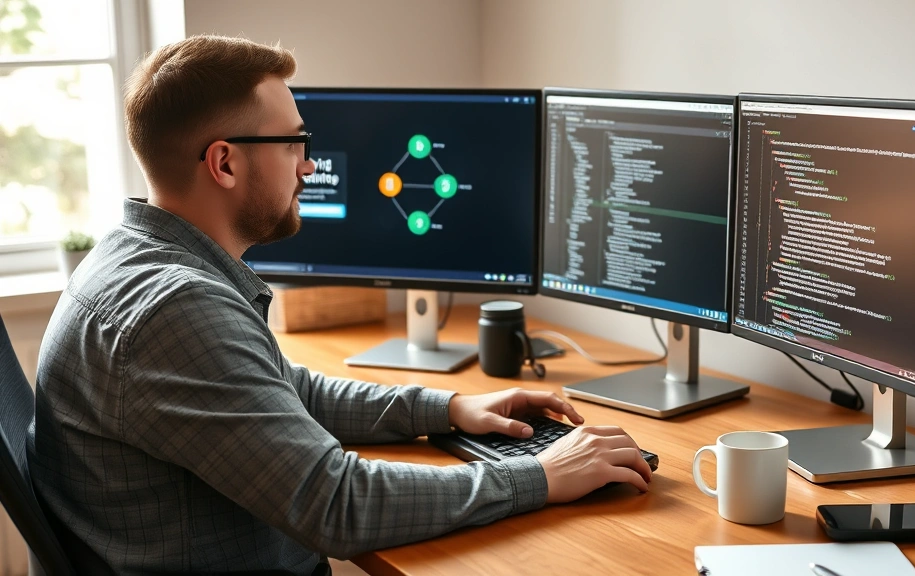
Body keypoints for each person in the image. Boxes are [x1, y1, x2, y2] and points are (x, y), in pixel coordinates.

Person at [27, 35, 652, 575]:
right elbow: (338, 505)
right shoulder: (176, 308)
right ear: (224, 163)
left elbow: (281, 389)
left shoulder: (133, 254)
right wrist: (540, 475)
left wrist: (450, 407)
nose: (309, 165)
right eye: (295, 144)